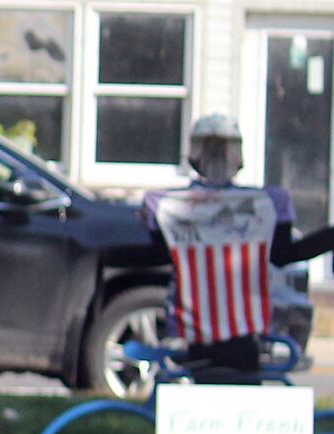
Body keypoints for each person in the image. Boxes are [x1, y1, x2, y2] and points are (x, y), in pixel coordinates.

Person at [139, 114, 334, 379]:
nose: (217, 157)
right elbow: (285, 254)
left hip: (199, 327)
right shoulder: (265, 202)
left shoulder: (168, 204)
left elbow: (157, 254)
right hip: (240, 325)